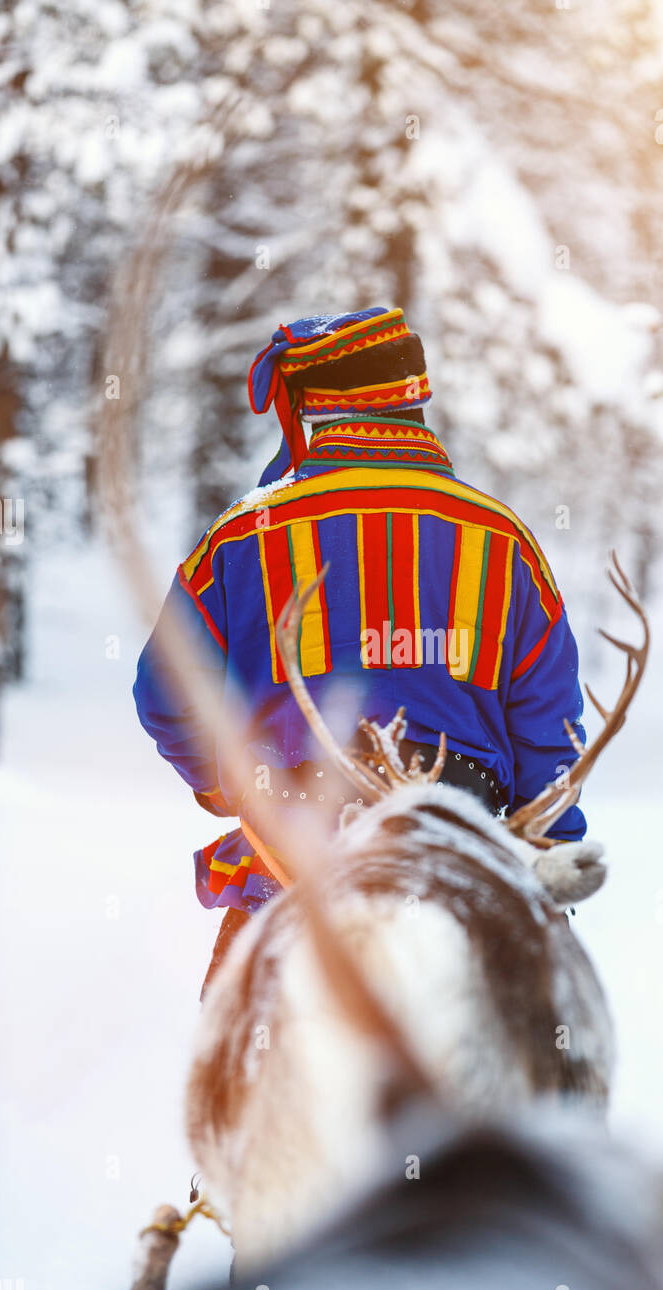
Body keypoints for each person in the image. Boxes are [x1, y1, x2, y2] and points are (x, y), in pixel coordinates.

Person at [133, 306, 587, 995]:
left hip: (293, 856)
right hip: (457, 854)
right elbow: (548, 730)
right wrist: (550, 849)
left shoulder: (239, 538)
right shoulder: (503, 540)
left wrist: (228, 785)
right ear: (413, 406)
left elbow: (166, 696)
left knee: (233, 1080)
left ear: (317, 416)